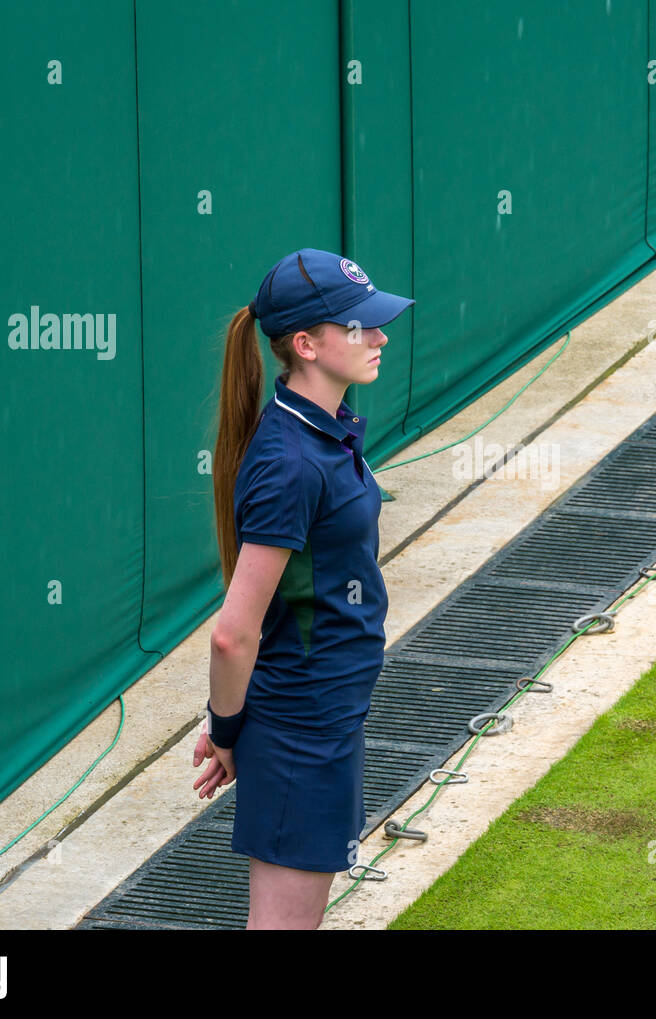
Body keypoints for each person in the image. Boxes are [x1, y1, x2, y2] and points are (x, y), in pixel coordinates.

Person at [192, 248, 414, 929]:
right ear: (307, 344)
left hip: (323, 719)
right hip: (300, 731)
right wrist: (229, 728)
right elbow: (233, 632)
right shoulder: (291, 463)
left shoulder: (323, 431)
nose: (378, 336)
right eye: (358, 327)